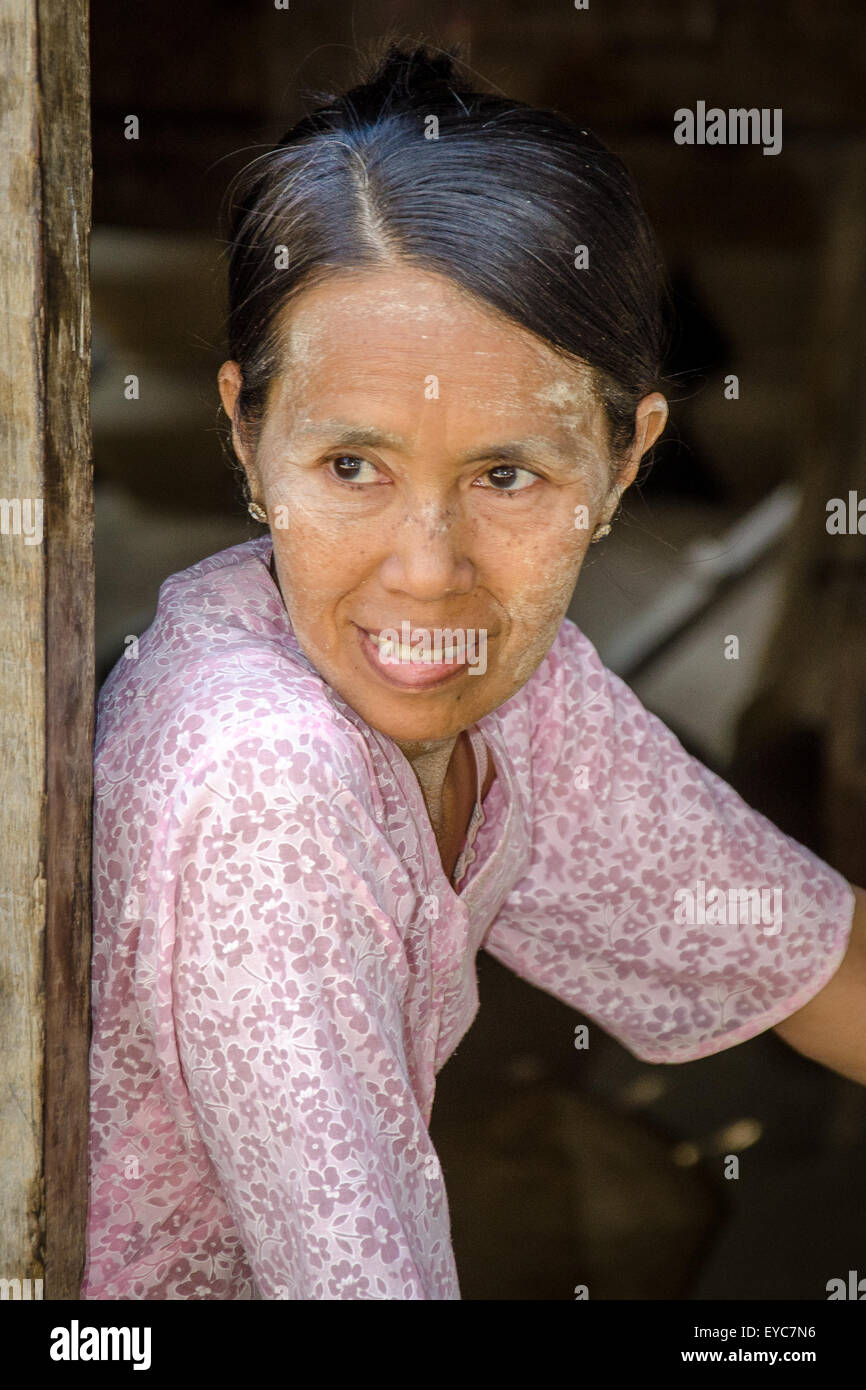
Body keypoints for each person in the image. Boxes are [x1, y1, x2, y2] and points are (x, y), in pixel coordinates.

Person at [81, 42, 866, 1301]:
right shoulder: (263, 780)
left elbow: (823, 969)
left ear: (622, 460)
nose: (428, 572)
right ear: (246, 433)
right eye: (352, 468)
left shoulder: (516, 684)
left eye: (507, 476)